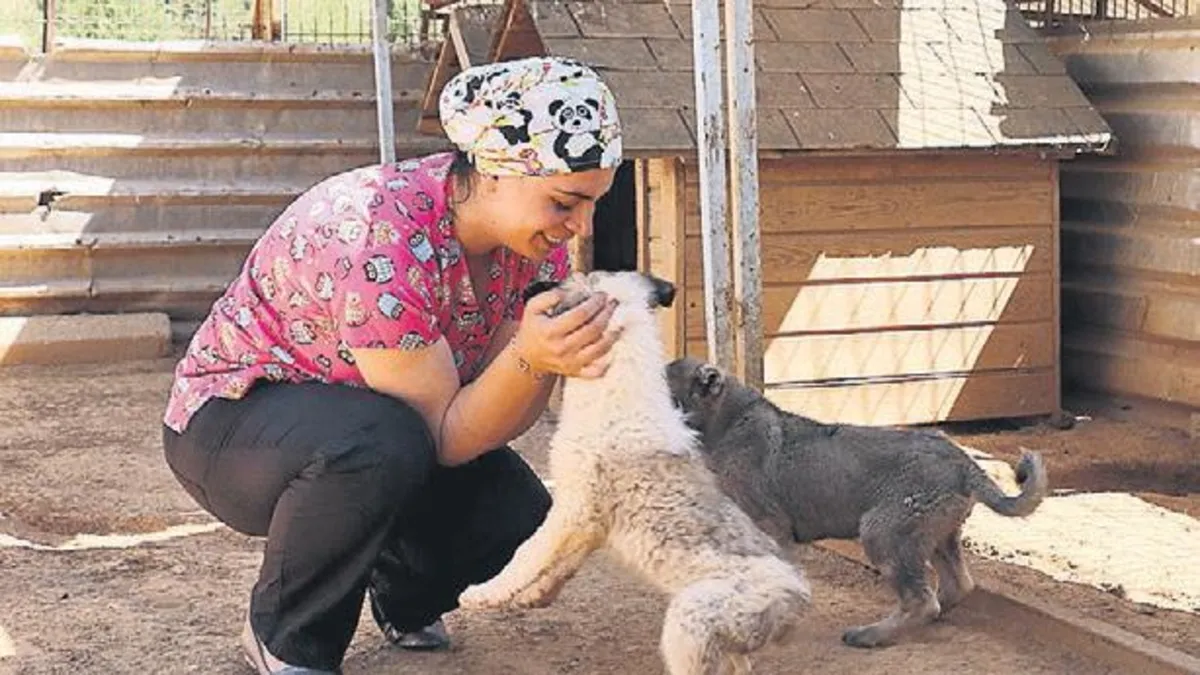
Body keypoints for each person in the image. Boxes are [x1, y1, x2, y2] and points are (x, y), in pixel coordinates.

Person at [161, 55, 624, 674]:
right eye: (566, 202)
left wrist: (542, 359)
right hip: (232, 426)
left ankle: (401, 596)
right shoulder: (379, 234)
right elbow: (446, 435)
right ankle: (284, 640)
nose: (580, 227)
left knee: (515, 518)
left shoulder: (531, 253)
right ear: (493, 173)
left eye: (593, 204)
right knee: (384, 443)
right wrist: (530, 357)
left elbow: (487, 407)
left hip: (375, 428)